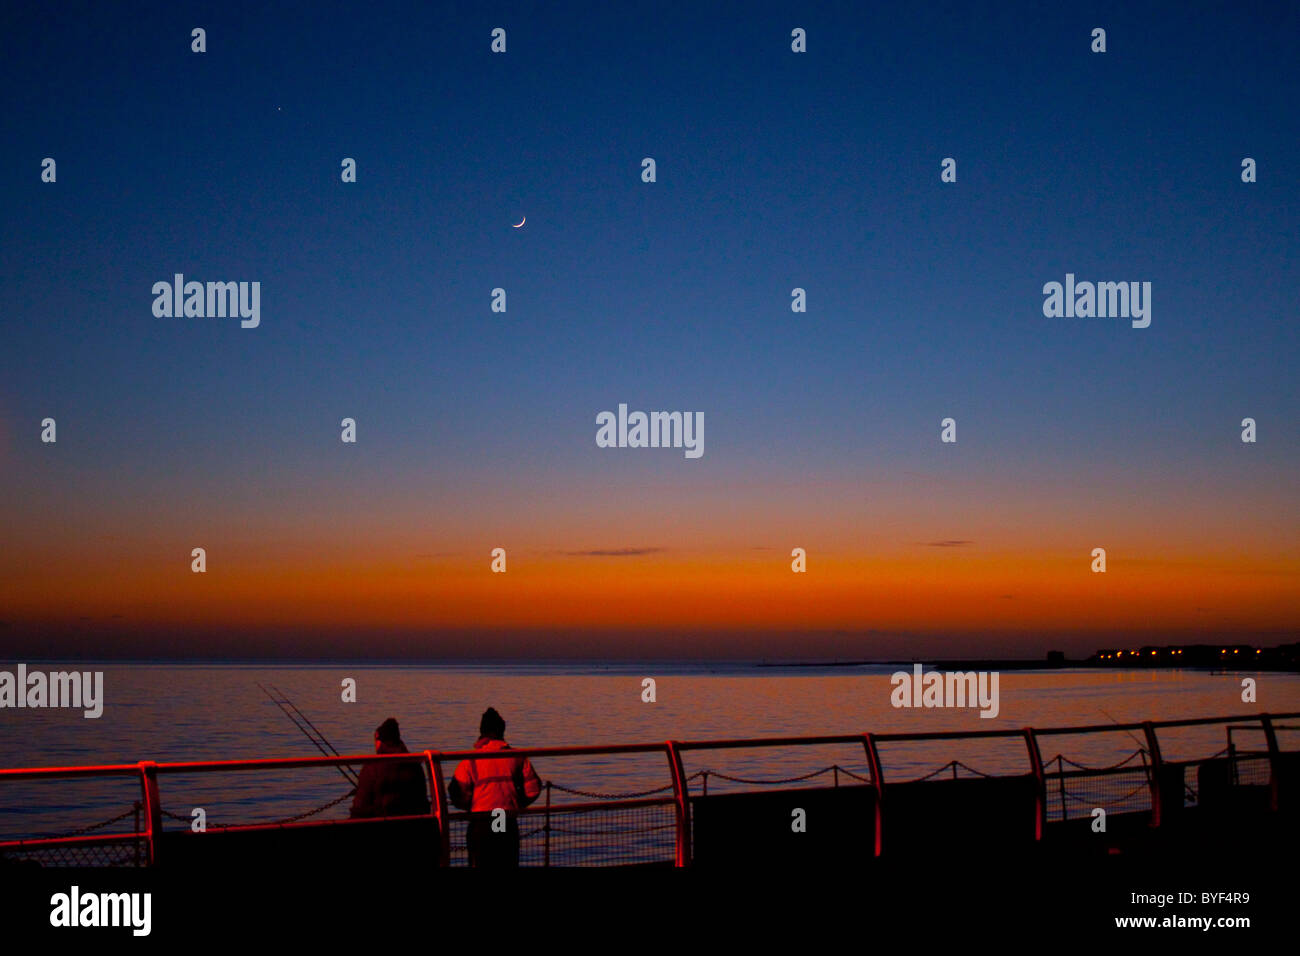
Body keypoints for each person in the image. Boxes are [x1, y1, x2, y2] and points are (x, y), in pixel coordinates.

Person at [448, 707, 542, 867]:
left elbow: (456, 792)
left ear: (482, 731)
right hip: (505, 819)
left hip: (481, 822)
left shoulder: (470, 760)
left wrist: (470, 807)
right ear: (502, 730)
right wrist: (517, 804)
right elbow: (533, 789)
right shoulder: (517, 757)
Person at [349, 718, 431, 819]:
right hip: (417, 827)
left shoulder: (372, 768)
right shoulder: (415, 765)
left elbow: (359, 809)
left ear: (379, 740)